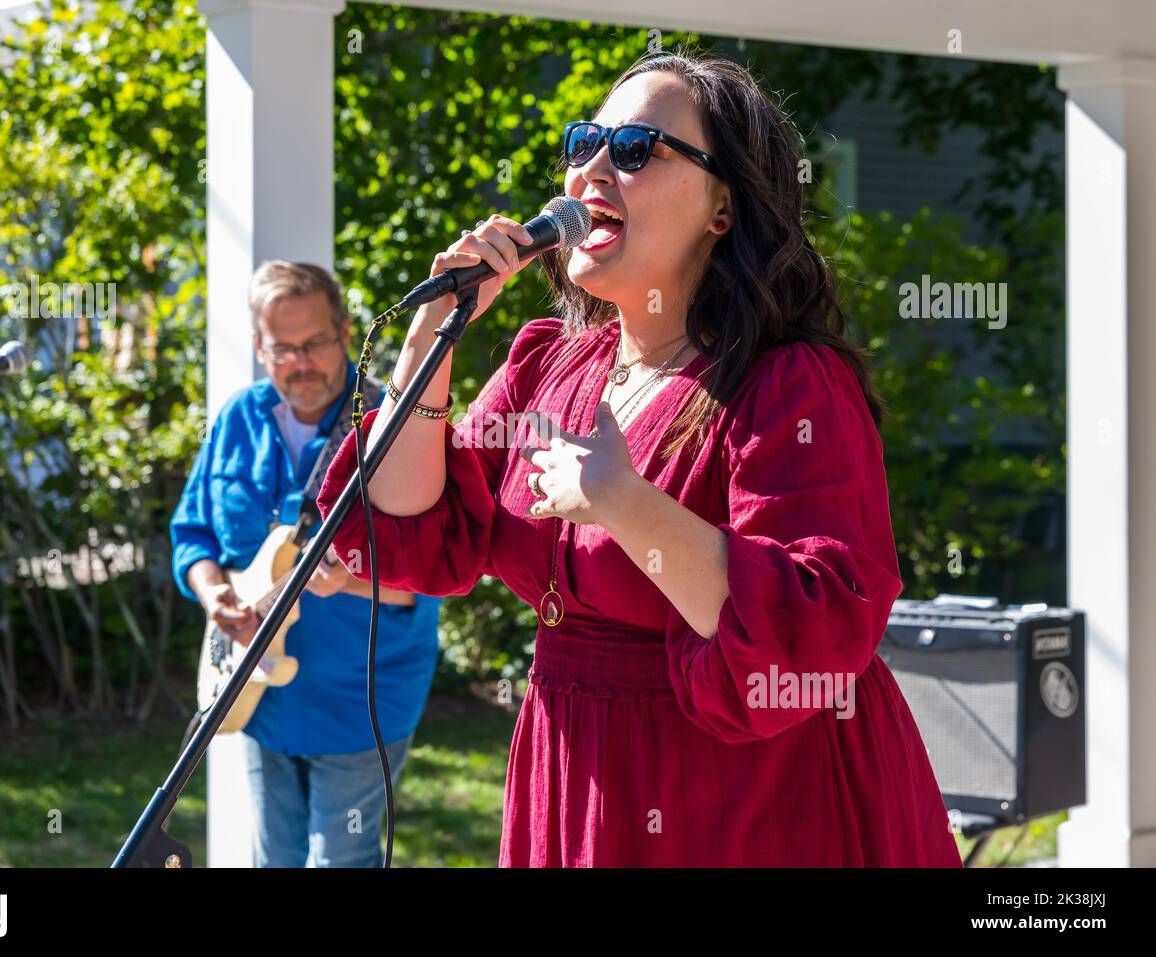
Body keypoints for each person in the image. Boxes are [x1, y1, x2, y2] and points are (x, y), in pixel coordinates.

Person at [315, 50, 962, 866]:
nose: (590, 167)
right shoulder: (548, 362)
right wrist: (430, 344)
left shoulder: (792, 383)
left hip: (748, 799)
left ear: (723, 206)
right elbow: (408, 530)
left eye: (634, 149)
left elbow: (815, 625)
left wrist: (624, 502)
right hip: (576, 774)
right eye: (585, 140)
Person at [170, 261, 441, 867]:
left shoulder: (390, 426)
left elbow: (437, 576)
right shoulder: (238, 419)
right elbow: (193, 533)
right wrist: (214, 594)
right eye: (283, 348)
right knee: (274, 860)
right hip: (257, 690)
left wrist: (352, 580)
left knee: (339, 861)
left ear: (346, 332)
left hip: (360, 696)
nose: (301, 362)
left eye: (315, 342)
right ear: (260, 350)